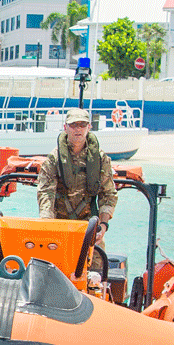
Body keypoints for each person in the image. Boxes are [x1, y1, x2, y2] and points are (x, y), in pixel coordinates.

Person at [37, 107, 117, 272]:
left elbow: (108, 194)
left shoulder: (100, 159)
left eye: (82, 125)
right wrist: (47, 224)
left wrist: (103, 225)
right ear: (65, 128)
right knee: (49, 268)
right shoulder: (54, 159)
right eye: (73, 125)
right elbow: (45, 193)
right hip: (58, 224)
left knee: (97, 269)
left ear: (89, 127)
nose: (78, 129)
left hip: (89, 225)